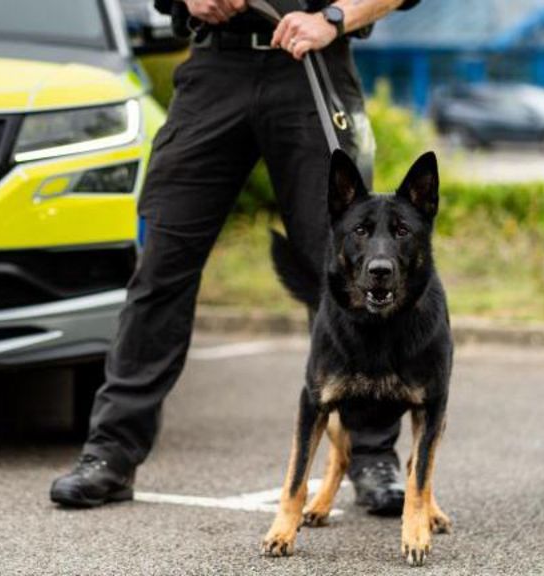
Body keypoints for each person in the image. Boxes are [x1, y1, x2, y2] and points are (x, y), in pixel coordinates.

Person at [51, 0, 421, 514]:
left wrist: (332, 19)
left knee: (346, 272)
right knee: (161, 268)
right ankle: (110, 454)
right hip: (214, 69)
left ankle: (372, 453)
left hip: (311, 65)